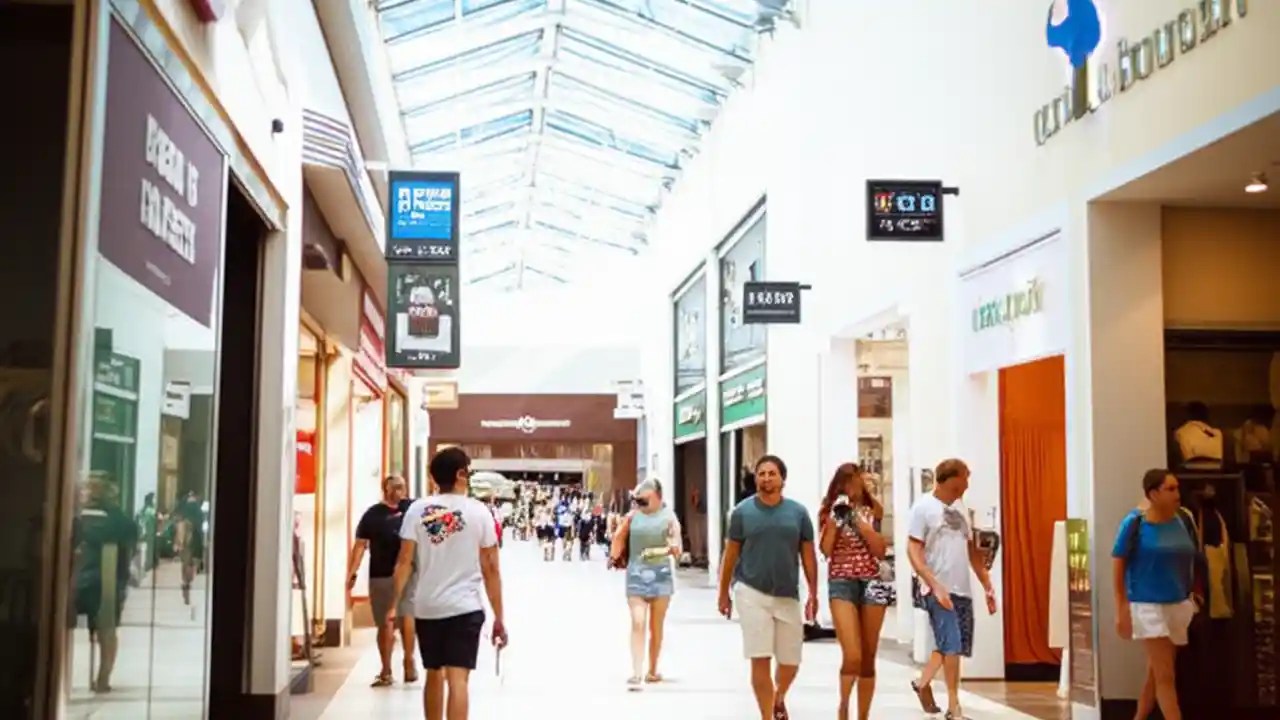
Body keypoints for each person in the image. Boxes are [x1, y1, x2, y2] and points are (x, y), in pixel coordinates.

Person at [394, 447, 507, 720]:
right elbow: (491, 569)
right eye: (467, 471)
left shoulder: (417, 510)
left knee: (433, 672)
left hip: (427, 607)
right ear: (459, 475)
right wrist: (499, 617)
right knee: (458, 680)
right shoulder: (479, 512)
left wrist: (392, 605)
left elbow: (404, 561)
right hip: (465, 608)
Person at [717, 455, 819, 720]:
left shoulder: (798, 513)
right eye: (761, 473)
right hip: (751, 591)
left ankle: (779, 696)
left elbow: (808, 554)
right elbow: (730, 554)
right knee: (760, 657)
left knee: (790, 661)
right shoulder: (742, 513)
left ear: (782, 479)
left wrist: (814, 593)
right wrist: (723, 592)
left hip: (787, 594)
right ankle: (766, 715)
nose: (766, 478)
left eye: (772, 473)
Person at [907, 458, 997, 720]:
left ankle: (922, 683)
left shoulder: (962, 509)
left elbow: (972, 551)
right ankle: (954, 706)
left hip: (962, 588)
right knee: (952, 645)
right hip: (936, 587)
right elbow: (913, 548)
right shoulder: (923, 508)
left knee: (952, 644)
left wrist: (987, 584)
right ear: (948, 479)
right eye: (963, 478)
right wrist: (932, 583)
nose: (966, 484)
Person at [1111, 469, 1199, 720]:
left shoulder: (1184, 519)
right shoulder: (1135, 523)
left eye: (1177, 488)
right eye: (1170, 489)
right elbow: (1118, 562)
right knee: (1166, 676)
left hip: (1178, 602)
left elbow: (1193, 558)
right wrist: (1121, 607)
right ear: (1153, 493)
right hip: (1148, 605)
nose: (1177, 494)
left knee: (1156, 672)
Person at [818, 463, 888, 720]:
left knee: (869, 656)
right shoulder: (828, 512)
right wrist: (837, 520)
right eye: (845, 483)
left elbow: (880, 550)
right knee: (853, 655)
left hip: (873, 582)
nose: (851, 487)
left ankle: (864, 715)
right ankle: (844, 705)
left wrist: (858, 521)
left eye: (854, 482)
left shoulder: (874, 510)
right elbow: (826, 551)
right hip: (841, 582)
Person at [610, 478, 682, 689]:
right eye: (637, 500)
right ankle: (636, 670)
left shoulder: (669, 517)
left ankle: (652, 669)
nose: (640, 504)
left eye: (644, 500)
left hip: (661, 576)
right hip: (636, 576)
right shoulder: (632, 517)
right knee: (638, 621)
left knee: (656, 626)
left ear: (658, 497)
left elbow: (677, 548)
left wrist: (668, 548)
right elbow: (618, 538)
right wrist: (615, 556)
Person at [348, 474, 417, 687]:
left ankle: (401, 664)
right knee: (392, 619)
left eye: (401, 487)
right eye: (394, 487)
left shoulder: (411, 508)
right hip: (386, 574)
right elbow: (360, 545)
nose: (399, 491)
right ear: (385, 490)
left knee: (401, 617)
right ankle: (394, 665)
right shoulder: (374, 514)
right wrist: (352, 572)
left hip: (404, 573)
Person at [72, 473, 137, 693]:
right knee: (106, 630)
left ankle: (103, 676)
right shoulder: (116, 519)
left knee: (105, 630)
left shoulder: (85, 518)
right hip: (103, 579)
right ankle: (102, 678)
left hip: (94, 578)